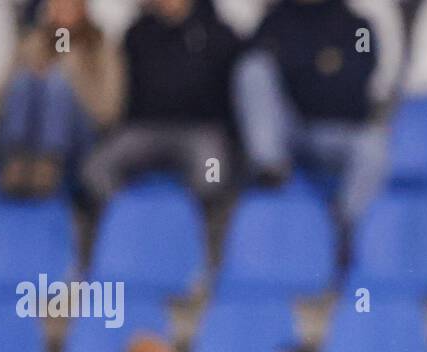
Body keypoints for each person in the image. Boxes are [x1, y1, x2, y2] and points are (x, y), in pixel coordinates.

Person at [232, 0, 383, 227]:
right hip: (288, 128)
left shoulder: (358, 28)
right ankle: (270, 169)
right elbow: (256, 73)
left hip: (334, 131)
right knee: (253, 69)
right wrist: (323, 65)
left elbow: (356, 81)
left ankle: (345, 227)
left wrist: (302, 68)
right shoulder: (275, 21)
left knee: (372, 145)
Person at [81, 0, 239, 205]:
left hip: (201, 131)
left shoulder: (217, 33)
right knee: (94, 171)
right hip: (144, 130)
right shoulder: (137, 34)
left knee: (213, 177)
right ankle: (131, 217)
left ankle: (188, 221)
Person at [0, 0, 125, 199]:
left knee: (58, 81)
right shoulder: (36, 39)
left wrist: (75, 77)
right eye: (56, 6)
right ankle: (16, 159)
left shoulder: (101, 45)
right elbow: (5, 93)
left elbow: (109, 111)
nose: (62, 12)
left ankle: (48, 163)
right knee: (24, 80)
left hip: (81, 136)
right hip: (31, 134)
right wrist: (34, 64)